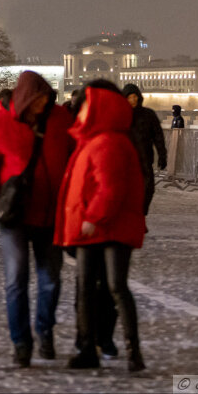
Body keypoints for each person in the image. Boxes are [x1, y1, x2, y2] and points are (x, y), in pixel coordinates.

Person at [0, 71, 75, 367]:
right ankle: (21, 342)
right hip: (14, 215)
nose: (41, 106)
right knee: (16, 280)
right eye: (36, 101)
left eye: (45, 100)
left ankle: (45, 329)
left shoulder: (60, 118)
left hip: (51, 214)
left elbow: (77, 157)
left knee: (50, 279)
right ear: (25, 99)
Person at [55, 80, 146, 372]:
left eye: (81, 110)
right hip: (94, 226)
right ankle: (94, 347)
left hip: (103, 227)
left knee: (109, 287)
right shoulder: (99, 139)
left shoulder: (107, 142)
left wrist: (92, 218)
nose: (77, 115)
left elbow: (110, 189)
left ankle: (111, 349)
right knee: (95, 288)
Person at [121, 84, 167, 214]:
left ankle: (141, 213)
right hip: (126, 161)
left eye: (135, 97)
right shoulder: (120, 114)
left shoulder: (148, 115)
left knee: (148, 188)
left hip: (145, 158)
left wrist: (162, 155)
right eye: (129, 97)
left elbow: (158, 136)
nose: (133, 100)